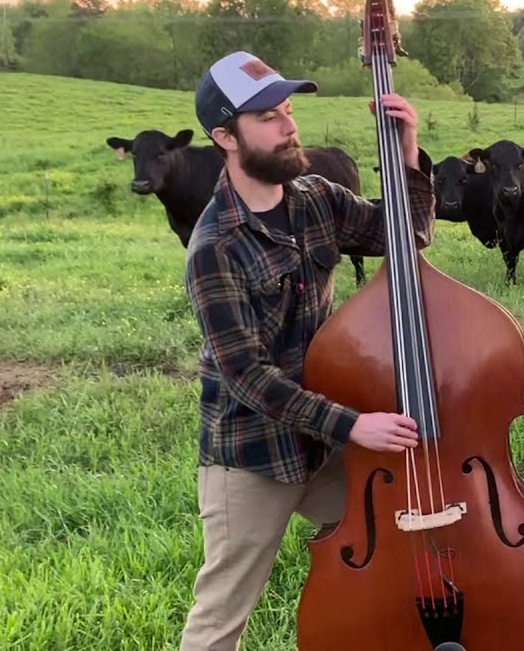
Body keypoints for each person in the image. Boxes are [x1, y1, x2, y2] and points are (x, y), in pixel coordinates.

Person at [178, 50, 435, 650]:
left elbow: (407, 237)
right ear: (226, 136)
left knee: (405, 540)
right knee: (221, 615)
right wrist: (355, 426)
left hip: (326, 443)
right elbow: (247, 376)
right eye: (268, 117)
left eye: (288, 110)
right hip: (253, 452)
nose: (290, 126)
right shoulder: (215, 246)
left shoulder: (316, 197)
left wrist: (406, 158)